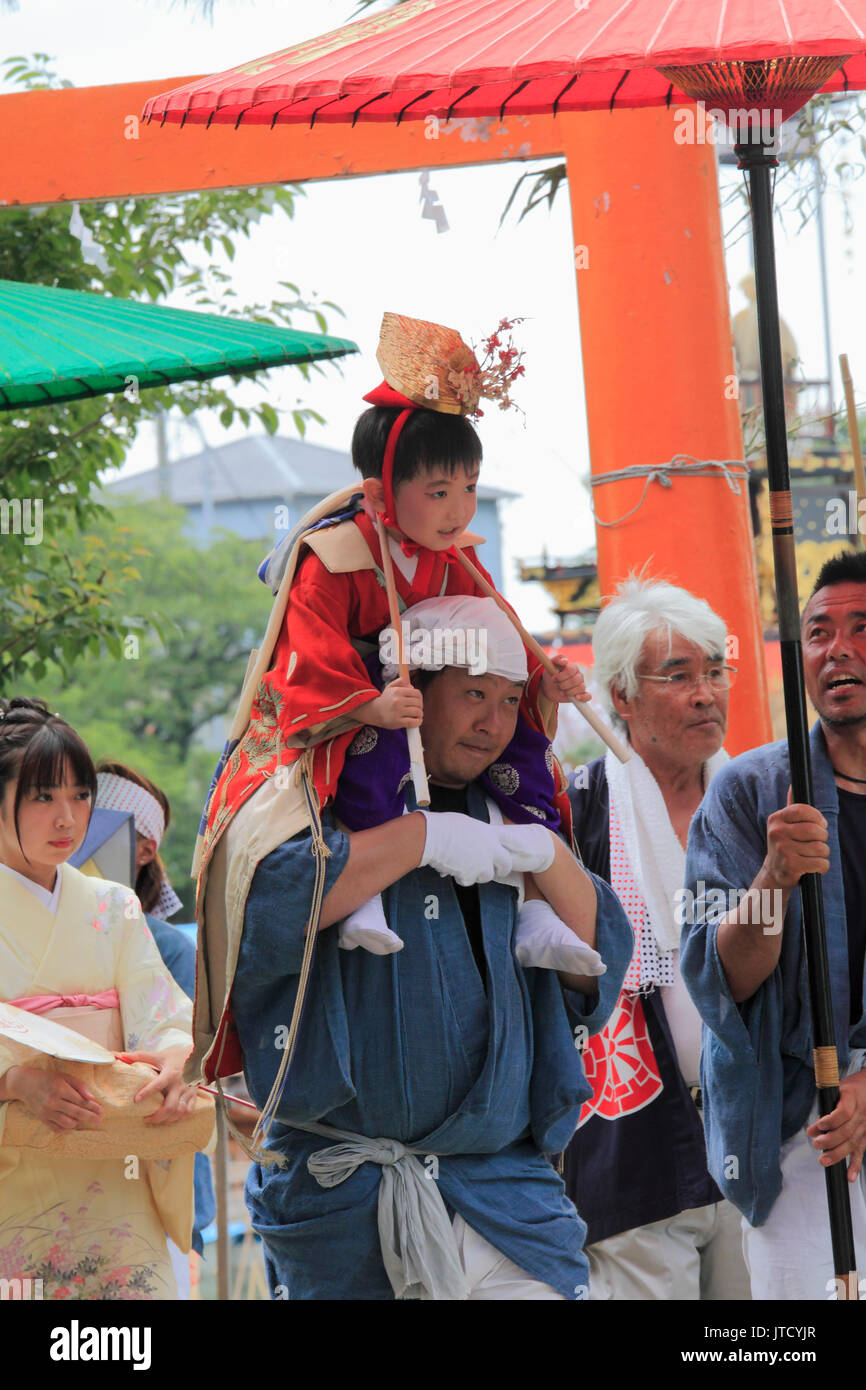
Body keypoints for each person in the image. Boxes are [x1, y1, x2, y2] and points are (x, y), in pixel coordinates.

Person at [193, 598, 632, 1300]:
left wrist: (545, 852)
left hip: (507, 1189)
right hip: (348, 1197)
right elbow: (264, 906)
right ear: (412, 691)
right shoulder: (316, 802)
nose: (493, 722)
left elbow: (599, 945)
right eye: (472, 695)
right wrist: (421, 837)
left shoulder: (515, 811)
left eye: (509, 700)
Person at [197, 312, 587, 969]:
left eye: (467, 488)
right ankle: (358, 890)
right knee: (376, 748)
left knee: (520, 738)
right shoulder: (333, 554)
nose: (459, 509)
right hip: (348, 709)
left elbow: (505, 631)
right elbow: (307, 652)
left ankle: (536, 899)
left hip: (437, 701)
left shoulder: (453, 552)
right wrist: (369, 705)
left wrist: (546, 680)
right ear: (380, 494)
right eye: (438, 491)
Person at [682, 549, 866, 1299]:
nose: (838, 648)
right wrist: (774, 879)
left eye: (861, 627)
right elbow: (721, 977)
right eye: (818, 632)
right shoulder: (749, 792)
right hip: (802, 1129)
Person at [562, 577, 750, 1300]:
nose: (706, 693)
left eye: (714, 671)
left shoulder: (764, 799)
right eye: (679, 676)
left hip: (758, 1140)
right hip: (626, 1143)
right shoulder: (574, 812)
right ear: (621, 696)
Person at [0, 699, 199, 1300]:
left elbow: (161, 1015)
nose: (67, 817)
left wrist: (173, 1059)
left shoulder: (113, 906)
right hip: (15, 1175)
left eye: (80, 795)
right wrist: (14, 1082)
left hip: (115, 1169)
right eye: (41, 796)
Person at [93, 761, 216, 1293]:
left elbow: (197, 1062)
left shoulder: (165, 945)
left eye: (98, 821)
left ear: (144, 848)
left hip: (160, 1195)